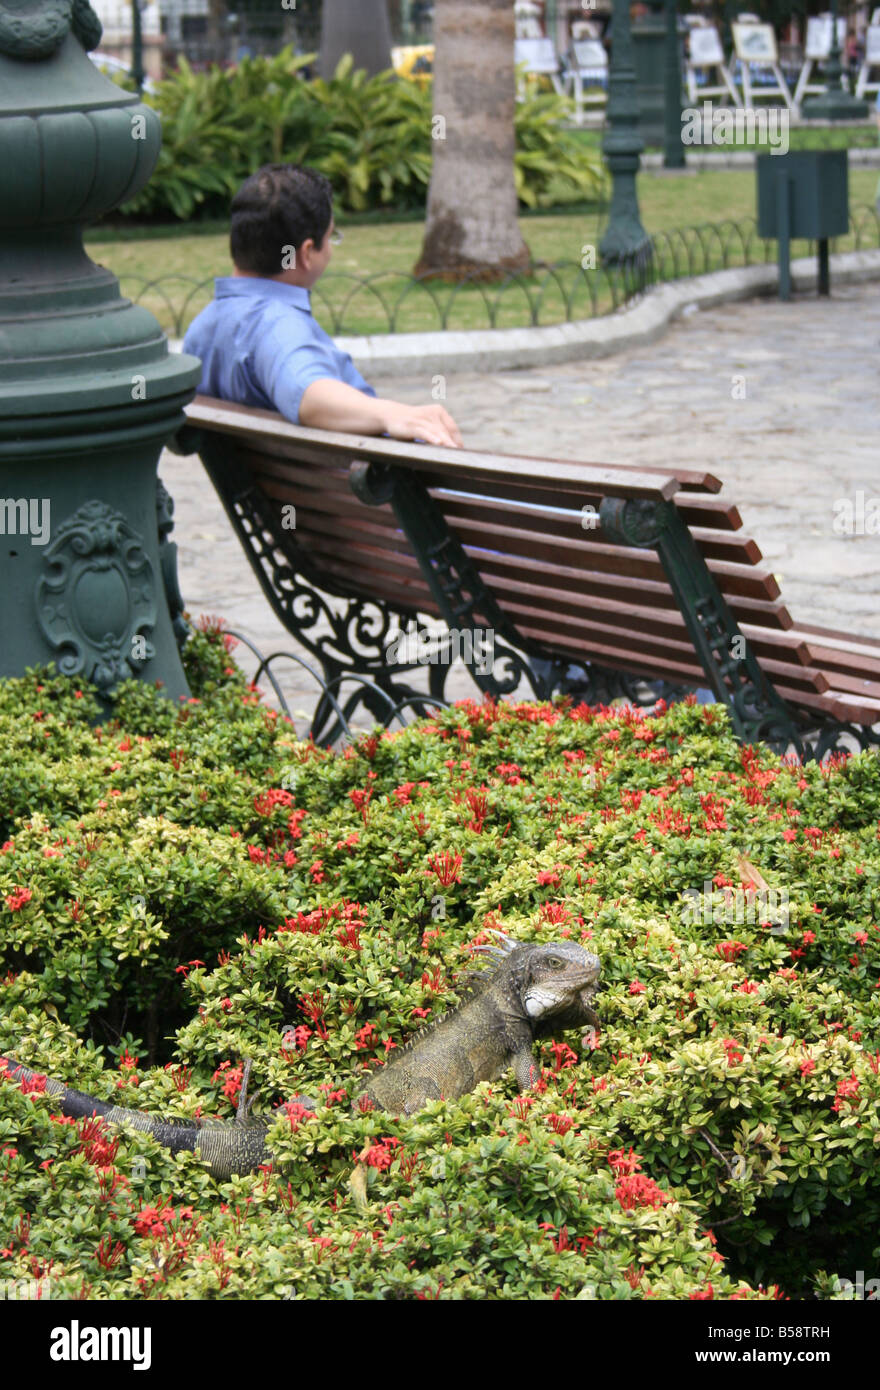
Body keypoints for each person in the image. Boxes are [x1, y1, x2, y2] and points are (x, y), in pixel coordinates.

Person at [184, 164, 462, 449]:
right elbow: (305, 391)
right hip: (365, 487)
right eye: (331, 237)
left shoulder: (203, 330)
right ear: (305, 253)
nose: (330, 249)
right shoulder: (276, 326)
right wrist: (392, 413)